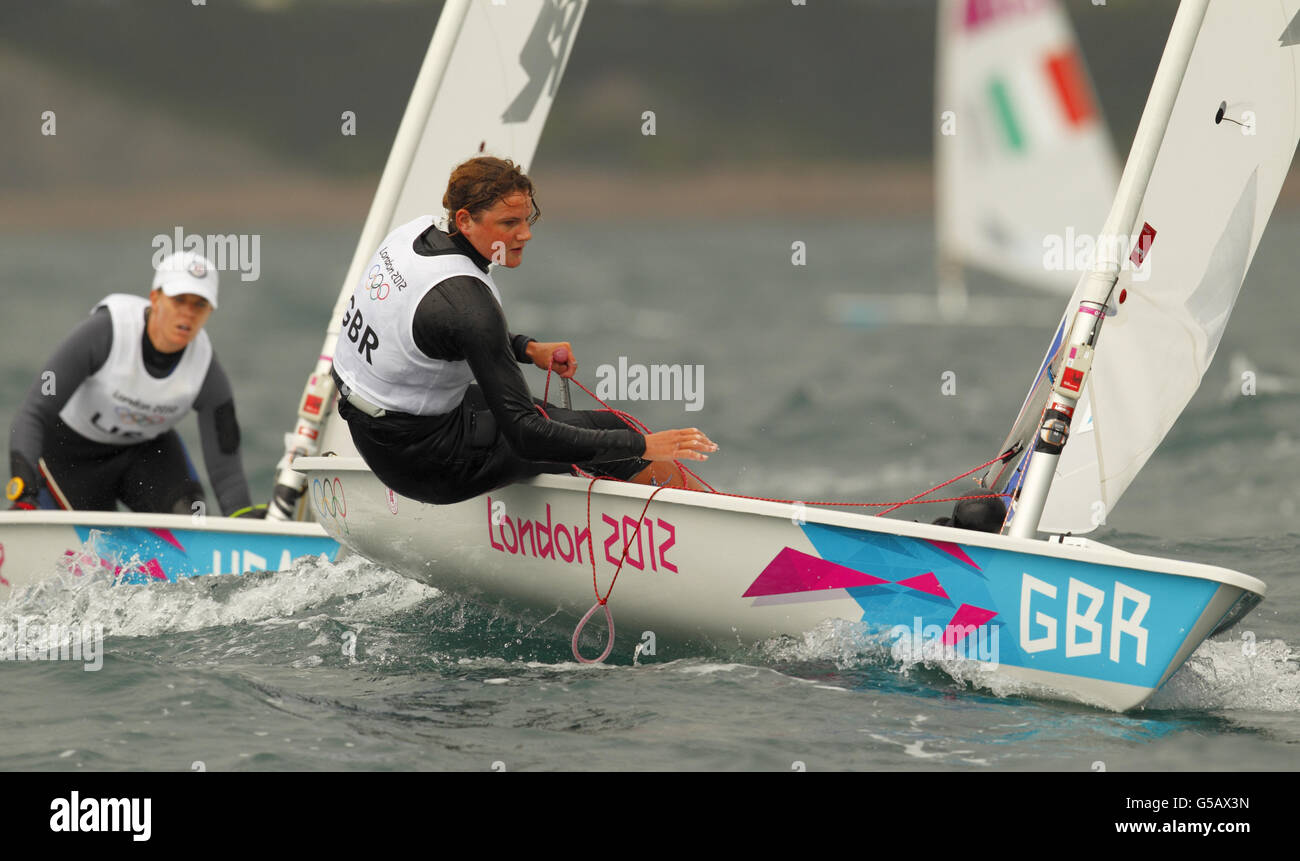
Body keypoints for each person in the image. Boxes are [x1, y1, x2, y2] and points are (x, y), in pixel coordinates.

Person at [331, 156, 717, 505]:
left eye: (527, 220)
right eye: (508, 223)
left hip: (371, 428)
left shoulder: (411, 237)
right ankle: (701, 531)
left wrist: (526, 348)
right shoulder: (469, 304)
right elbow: (525, 436)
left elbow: (429, 330)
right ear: (465, 219)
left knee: (545, 414)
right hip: (427, 465)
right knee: (612, 431)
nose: (524, 235)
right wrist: (643, 445)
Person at [6, 250, 255, 516]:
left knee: (192, 518)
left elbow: (226, 459)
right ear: (155, 298)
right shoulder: (102, 333)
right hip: (71, 456)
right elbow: (34, 412)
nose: (188, 313)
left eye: (199, 305)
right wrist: (24, 494)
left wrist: (243, 519)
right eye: (179, 300)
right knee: (97, 547)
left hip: (145, 454)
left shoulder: (206, 367)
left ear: (210, 311)